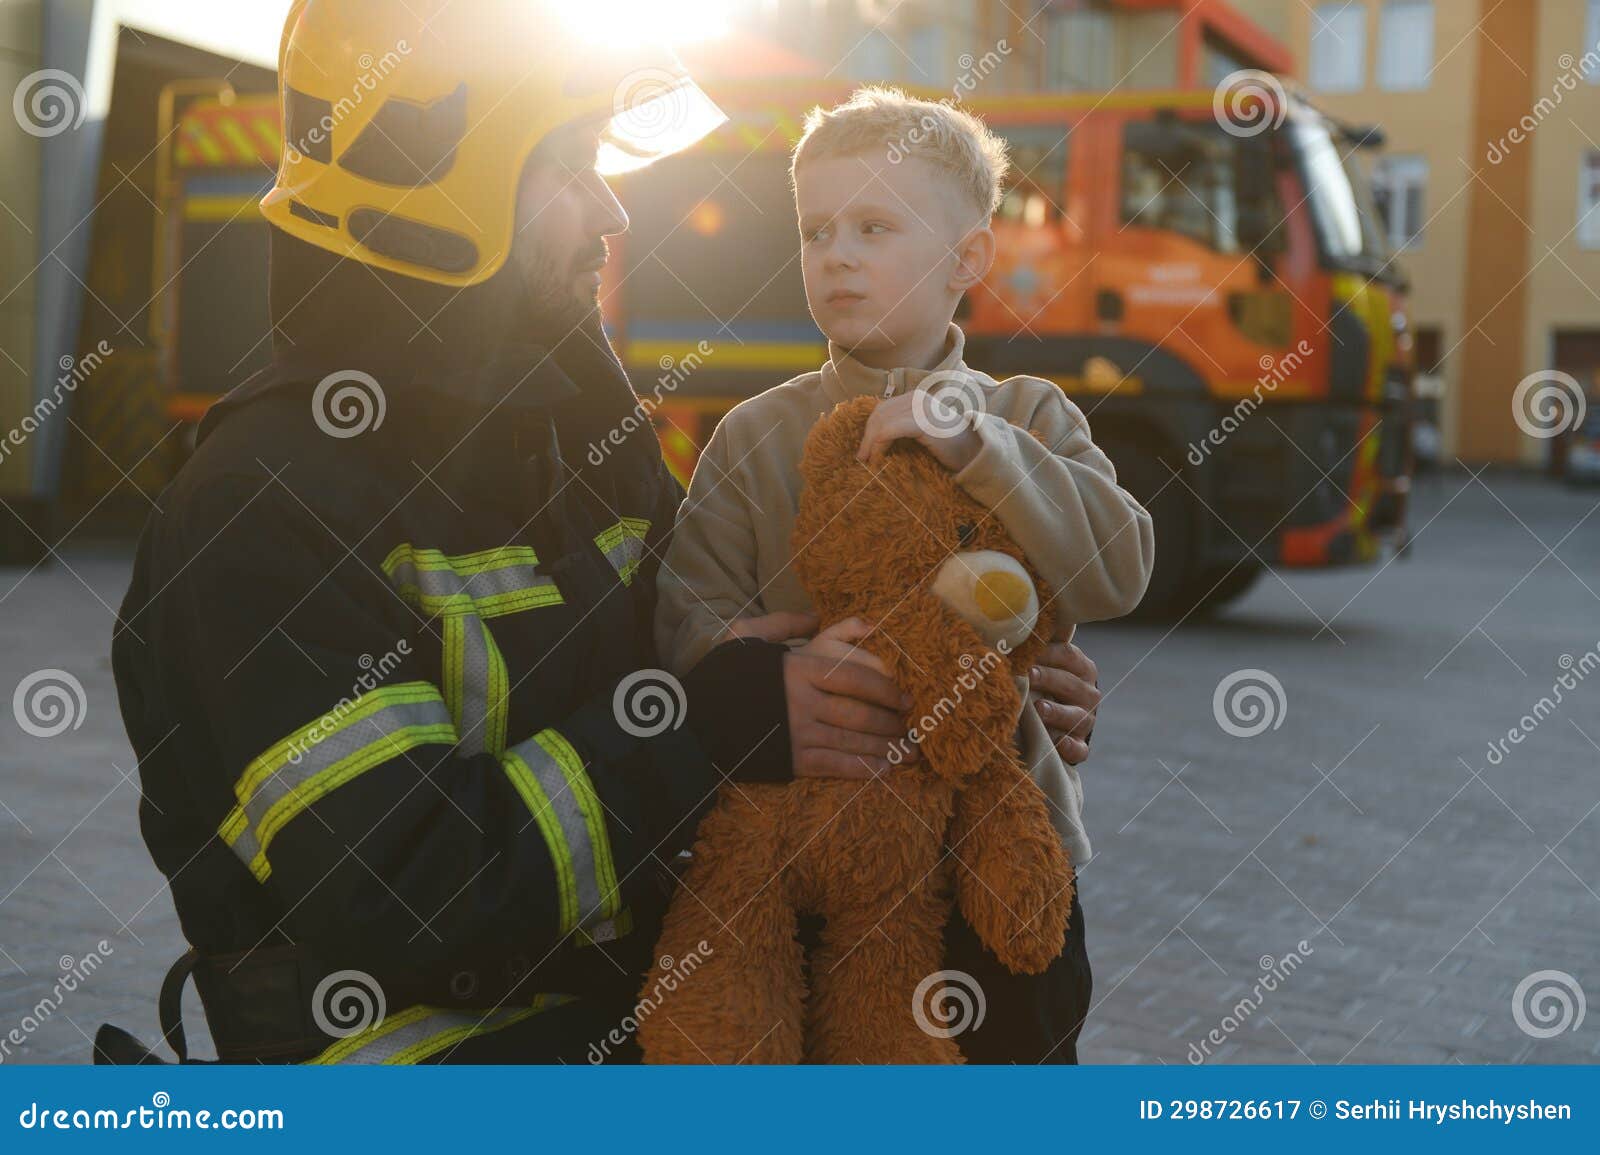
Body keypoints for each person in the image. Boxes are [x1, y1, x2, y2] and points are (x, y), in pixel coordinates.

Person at [102, 4, 1105, 1065]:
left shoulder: (573, 434)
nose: (612, 213)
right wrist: (714, 729)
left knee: (992, 1000)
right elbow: (414, 890)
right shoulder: (265, 505)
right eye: (571, 168)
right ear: (447, 186)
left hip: (639, 1008)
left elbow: (732, 651)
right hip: (439, 1060)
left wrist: (938, 681)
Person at [656, 86, 1156, 1063]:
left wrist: (973, 441)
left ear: (966, 259)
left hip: (1000, 874)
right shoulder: (754, 435)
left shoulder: (1029, 415)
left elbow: (1118, 570)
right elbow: (682, 619)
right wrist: (782, 662)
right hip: (814, 866)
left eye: (874, 226)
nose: (835, 253)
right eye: (815, 230)